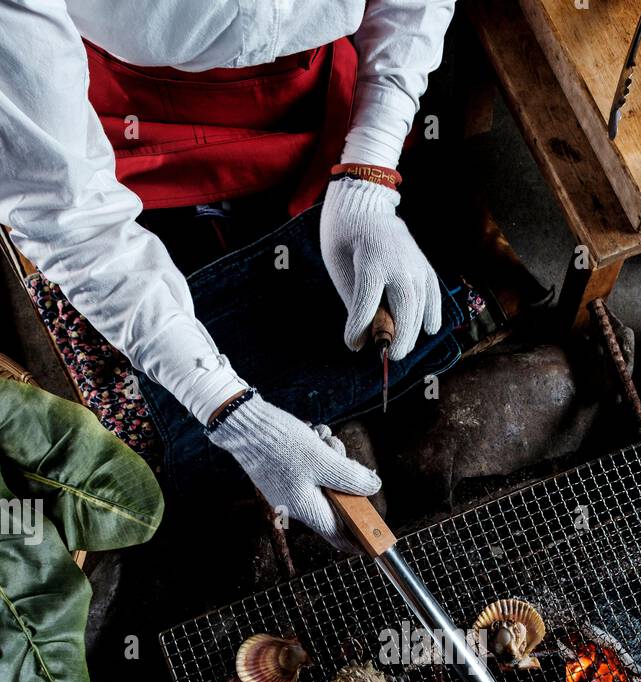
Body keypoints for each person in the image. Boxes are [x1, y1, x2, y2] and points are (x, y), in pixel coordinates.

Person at [0, 1, 457, 546]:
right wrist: (229, 411)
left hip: (315, 96)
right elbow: (68, 213)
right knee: (153, 412)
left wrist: (370, 171)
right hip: (130, 126)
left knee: (417, 315)